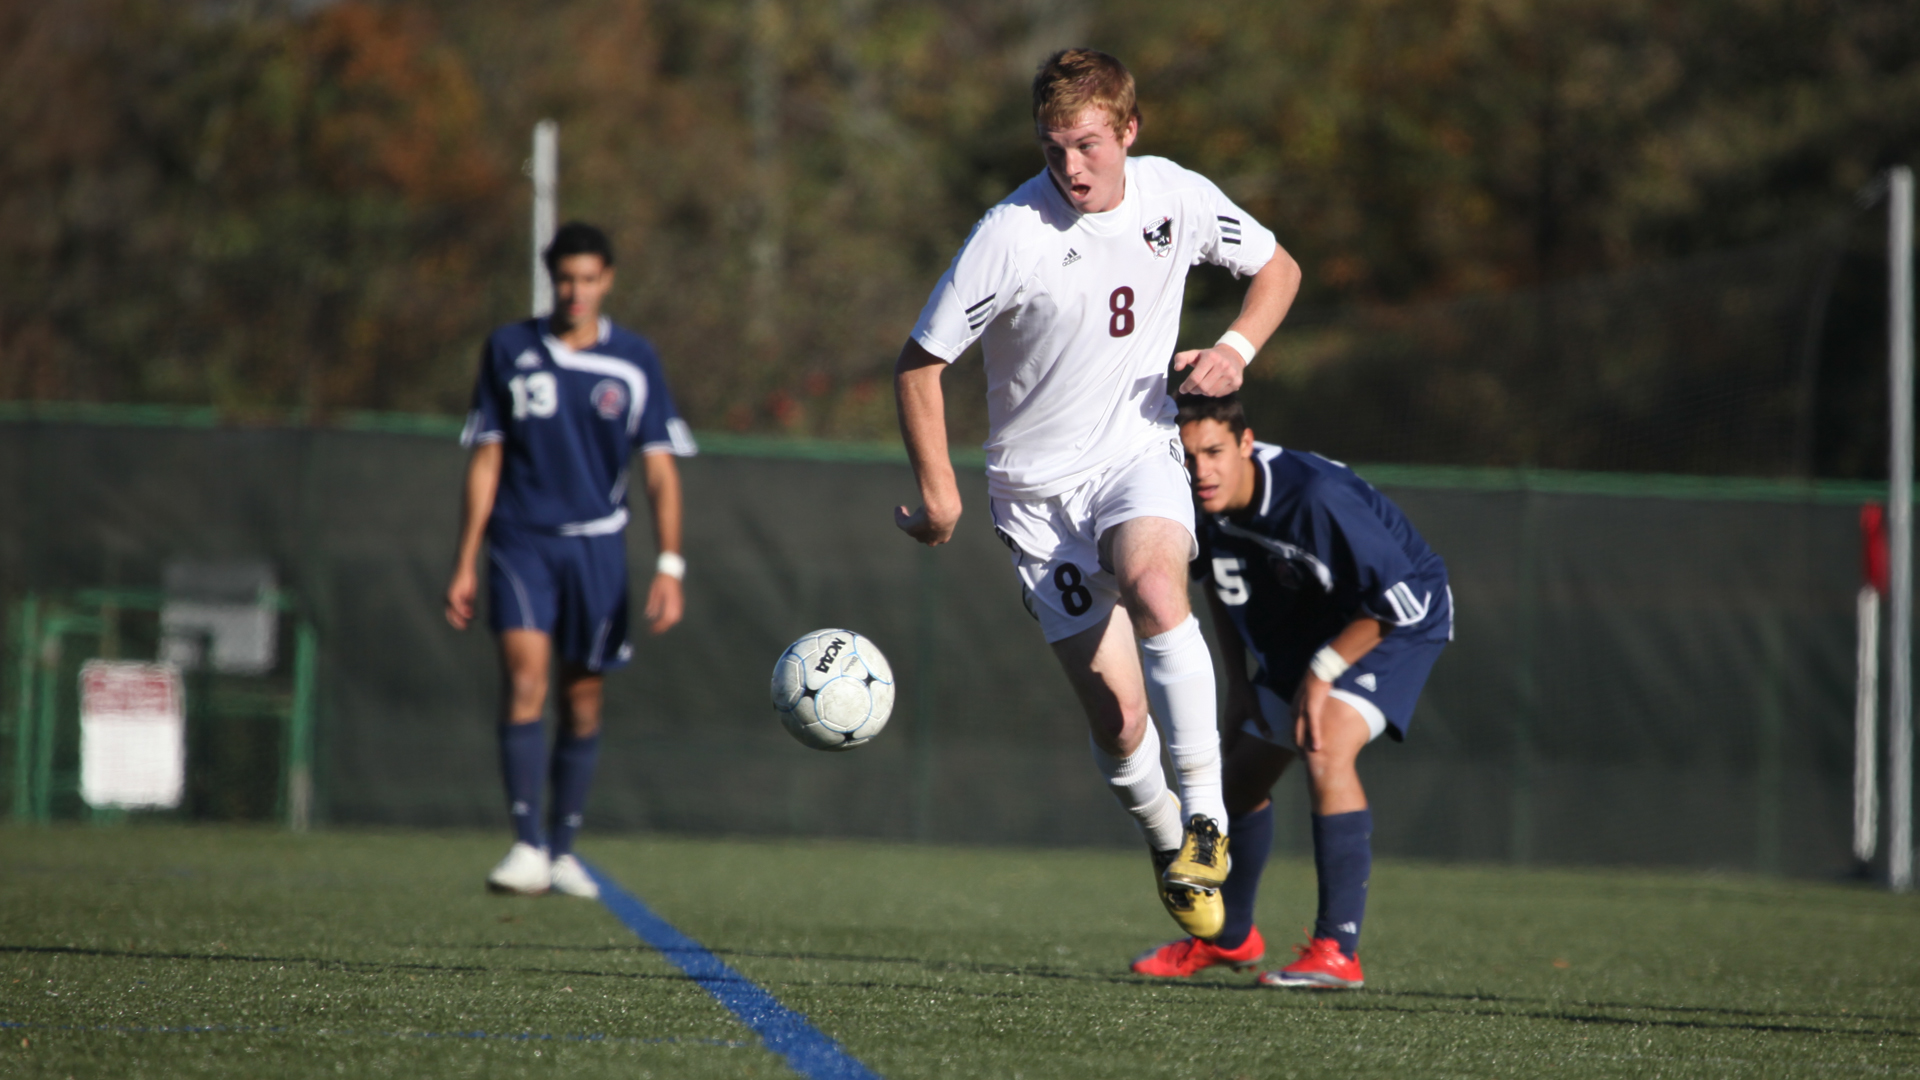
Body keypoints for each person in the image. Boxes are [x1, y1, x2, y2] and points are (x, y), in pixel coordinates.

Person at [892, 48, 1301, 937]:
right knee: (1119, 722)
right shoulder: (1010, 233)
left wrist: (1234, 350)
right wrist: (941, 493)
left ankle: (1206, 822)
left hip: (1136, 454)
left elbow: (1279, 272)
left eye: (1086, 145)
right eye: (1051, 149)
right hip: (1034, 500)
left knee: (1159, 589)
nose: (1070, 168)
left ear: (1128, 130)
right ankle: (1166, 840)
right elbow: (920, 367)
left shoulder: (1174, 197)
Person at [1129, 393, 1450, 988]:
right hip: (1306, 633)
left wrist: (1323, 672)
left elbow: (1399, 597)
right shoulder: (1191, 498)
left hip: (1396, 623)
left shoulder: (1314, 496)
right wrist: (1237, 683)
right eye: (1188, 454)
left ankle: (1337, 950)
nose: (1201, 469)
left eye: (1215, 452)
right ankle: (1230, 939)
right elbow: (1217, 590)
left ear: (1246, 444)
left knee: (1325, 742)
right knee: (1237, 780)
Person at [444, 221, 697, 899]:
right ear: (549, 279)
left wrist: (670, 564)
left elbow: (661, 471)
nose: (575, 291)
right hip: (521, 540)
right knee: (526, 681)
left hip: (598, 547)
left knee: (583, 701)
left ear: (607, 280)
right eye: (564, 279)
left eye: (588, 279)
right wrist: (466, 561)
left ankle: (563, 849)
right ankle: (525, 843)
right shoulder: (508, 349)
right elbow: (487, 456)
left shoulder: (635, 360)